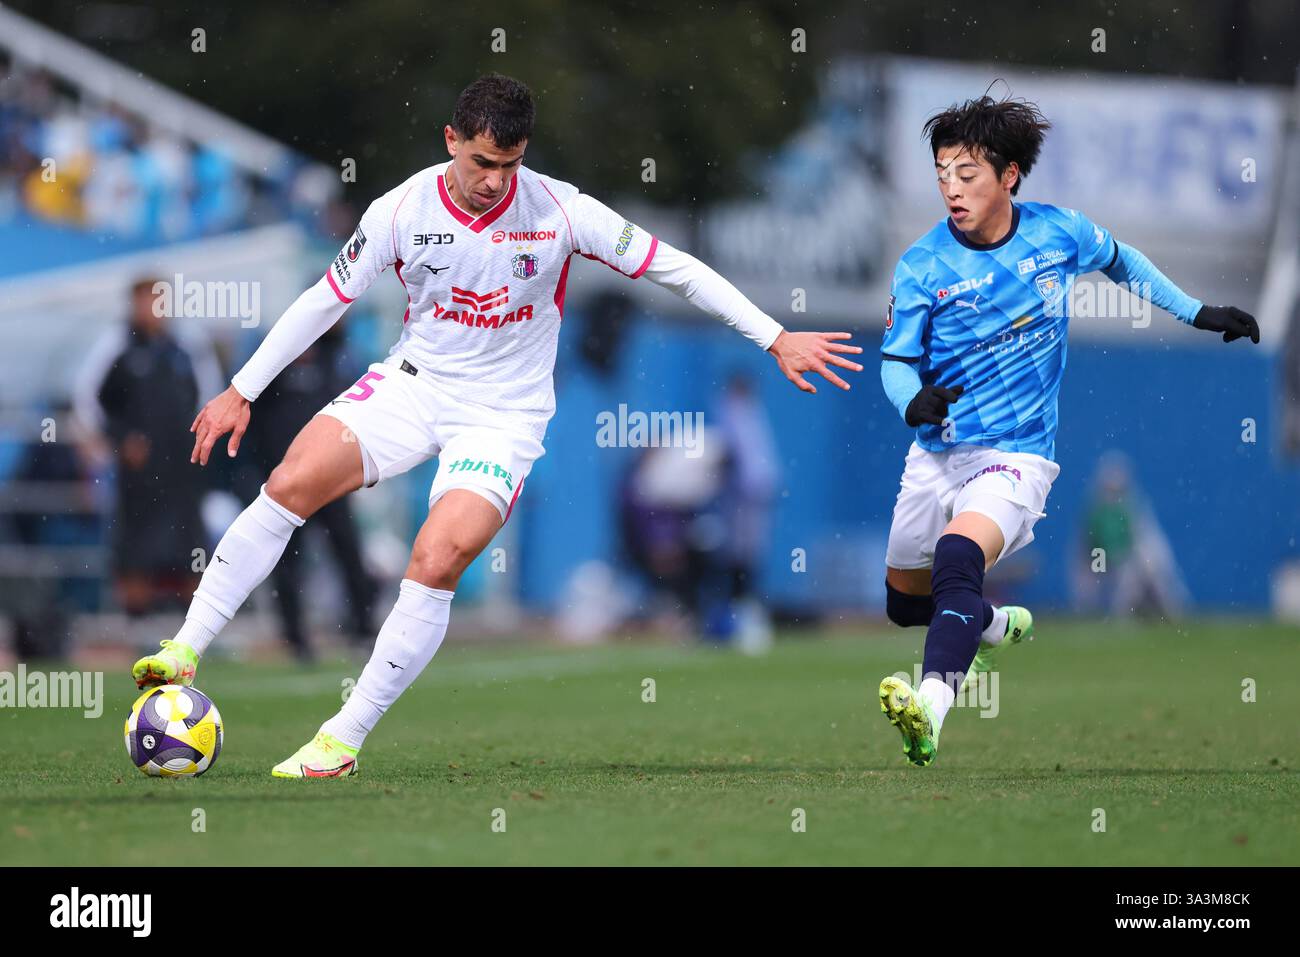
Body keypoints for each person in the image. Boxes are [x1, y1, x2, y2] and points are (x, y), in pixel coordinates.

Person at [131, 74, 864, 778]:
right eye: (482, 161)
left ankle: (340, 738)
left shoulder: (559, 210)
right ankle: (185, 649)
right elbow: (326, 299)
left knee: (437, 556)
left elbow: (676, 268)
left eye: (509, 164)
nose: (494, 179)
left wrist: (773, 336)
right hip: (413, 385)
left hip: (504, 416)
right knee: (290, 480)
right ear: (451, 139)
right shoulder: (400, 210)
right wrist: (242, 389)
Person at [876, 94, 1259, 767]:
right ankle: (993, 624)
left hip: (1015, 456)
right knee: (906, 606)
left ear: (1010, 174)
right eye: (942, 174)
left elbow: (1124, 262)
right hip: (935, 455)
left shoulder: (1060, 234)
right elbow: (896, 361)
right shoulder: (922, 265)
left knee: (959, 561)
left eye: (967, 174)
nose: (952, 189)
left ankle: (929, 706)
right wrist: (914, 402)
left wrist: (1199, 312)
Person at [75, 276, 224, 619]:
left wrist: (199, 438)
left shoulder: (187, 344)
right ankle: (135, 620)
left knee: (190, 540)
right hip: (139, 468)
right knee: (135, 542)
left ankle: (197, 622)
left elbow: (211, 394)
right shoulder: (117, 343)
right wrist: (119, 439)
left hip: (183, 463)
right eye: (145, 300)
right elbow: (87, 398)